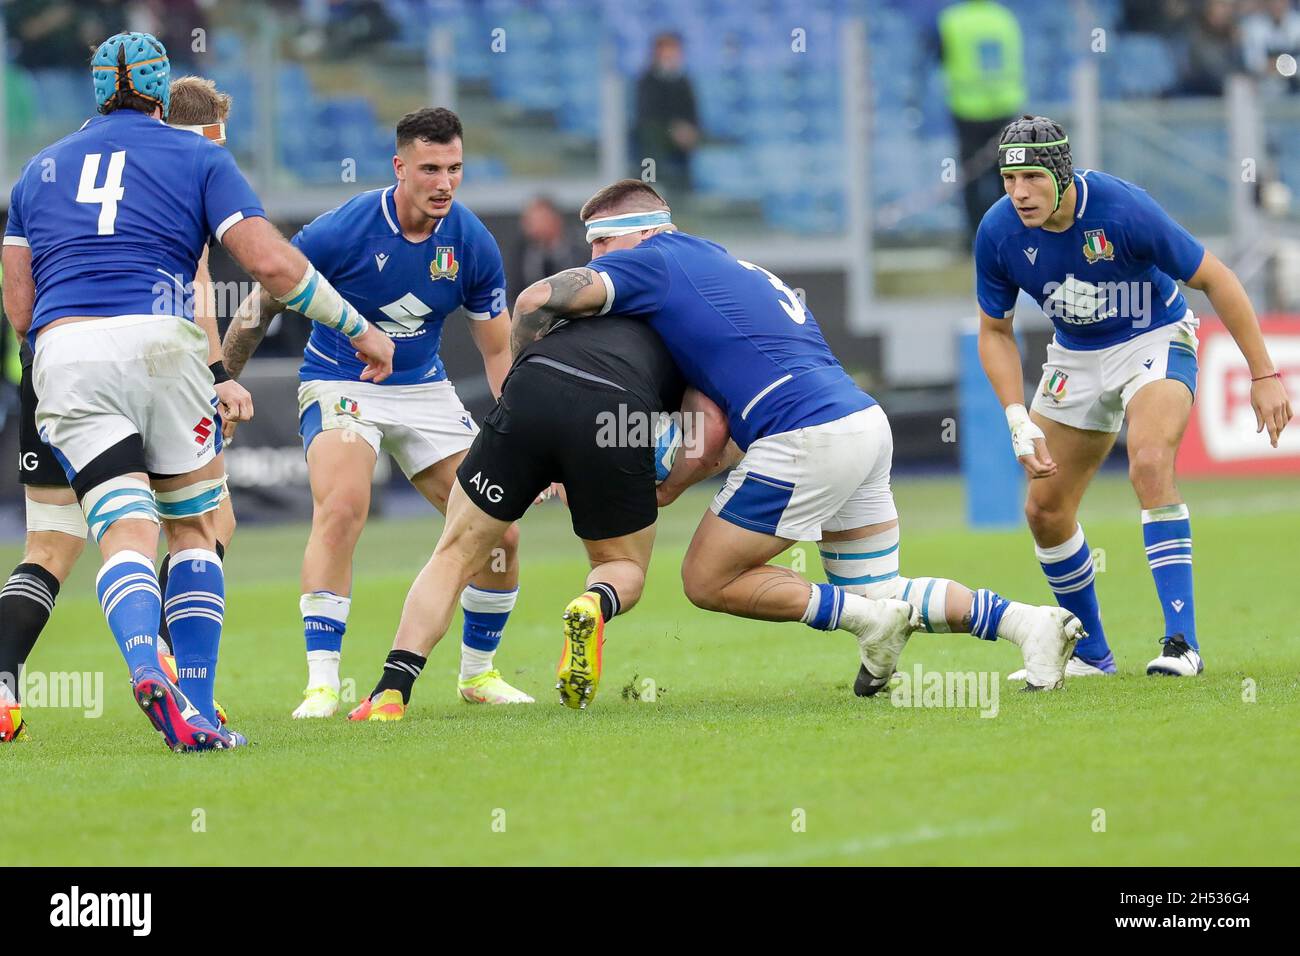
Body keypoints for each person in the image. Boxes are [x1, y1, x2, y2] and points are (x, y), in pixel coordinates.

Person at [508, 180, 1085, 705]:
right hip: (859, 421)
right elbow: (721, 428)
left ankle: (868, 622)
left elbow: (536, 300)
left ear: (642, 233)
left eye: (600, 247)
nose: (594, 262)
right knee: (879, 586)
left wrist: (531, 411)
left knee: (706, 580)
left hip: (805, 434)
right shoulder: (721, 265)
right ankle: (1028, 625)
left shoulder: (655, 260)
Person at [0, 32, 393, 750]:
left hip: (64, 352)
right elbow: (273, 266)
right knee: (196, 528)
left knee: (117, 530)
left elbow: (19, 307)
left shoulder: (36, 171)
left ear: (93, 91)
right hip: (159, 343)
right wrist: (358, 327)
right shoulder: (200, 156)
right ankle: (199, 710)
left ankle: (143, 662)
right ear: (160, 91)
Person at [222, 107, 531, 716]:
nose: (444, 183)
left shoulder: (472, 242)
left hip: (426, 389)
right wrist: (221, 380)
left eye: (455, 169)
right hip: (341, 382)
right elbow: (261, 307)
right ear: (400, 168)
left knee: (501, 531)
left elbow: (500, 354)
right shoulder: (343, 230)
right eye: (430, 169)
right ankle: (321, 682)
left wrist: (526, 439)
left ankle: (478, 674)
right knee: (342, 508)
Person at [976, 115, 1292, 679]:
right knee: (1044, 510)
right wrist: (1017, 416)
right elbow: (995, 332)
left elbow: (1216, 278)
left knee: (1148, 465)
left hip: (1154, 337)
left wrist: (1264, 374)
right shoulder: (998, 231)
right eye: (1009, 178)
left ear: (1061, 172)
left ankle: (1181, 644)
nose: (1019, 192)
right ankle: (1094, 655)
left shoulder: (1123, 209)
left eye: (1031, 177)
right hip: (1074, 355)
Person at [0, 73, 251, 741]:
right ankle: (176, 668)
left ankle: (1, 685)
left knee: (52, 544)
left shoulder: (62, 171)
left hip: (54, 365)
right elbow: (195, 293)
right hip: (150, 359)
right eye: (217, 138)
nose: (222, 151)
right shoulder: (183, 175)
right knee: (202, 518)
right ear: (189, 129)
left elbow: (19, 290)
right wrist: (219, 373)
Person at [347, 314, 696, 718]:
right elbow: (709, 430)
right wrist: (670, 483)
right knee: (620, 563)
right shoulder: (687, 332)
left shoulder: (581, 303)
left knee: (455, 554)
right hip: (616, 416)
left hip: (532, 387)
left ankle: (391, 690)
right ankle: (593, 603)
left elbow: (530, 308)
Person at [934, 0, 1026, 243]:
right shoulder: (1006, 18)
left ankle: (976, 239)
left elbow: (940, 57)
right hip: (1005, 110)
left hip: (968, 111)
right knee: (1007, 179)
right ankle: (1007, 235)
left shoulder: (952, 20)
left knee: (971, 180)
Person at [632, 33, 699, 200]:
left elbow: (692, 112)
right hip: (657, 130)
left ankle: (688, 190)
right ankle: (650, 182)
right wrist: (674, 127)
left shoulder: (683, 80)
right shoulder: (647, 80)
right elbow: (647, 113)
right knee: (650, 137)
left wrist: (688, 128)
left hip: (681, 132)